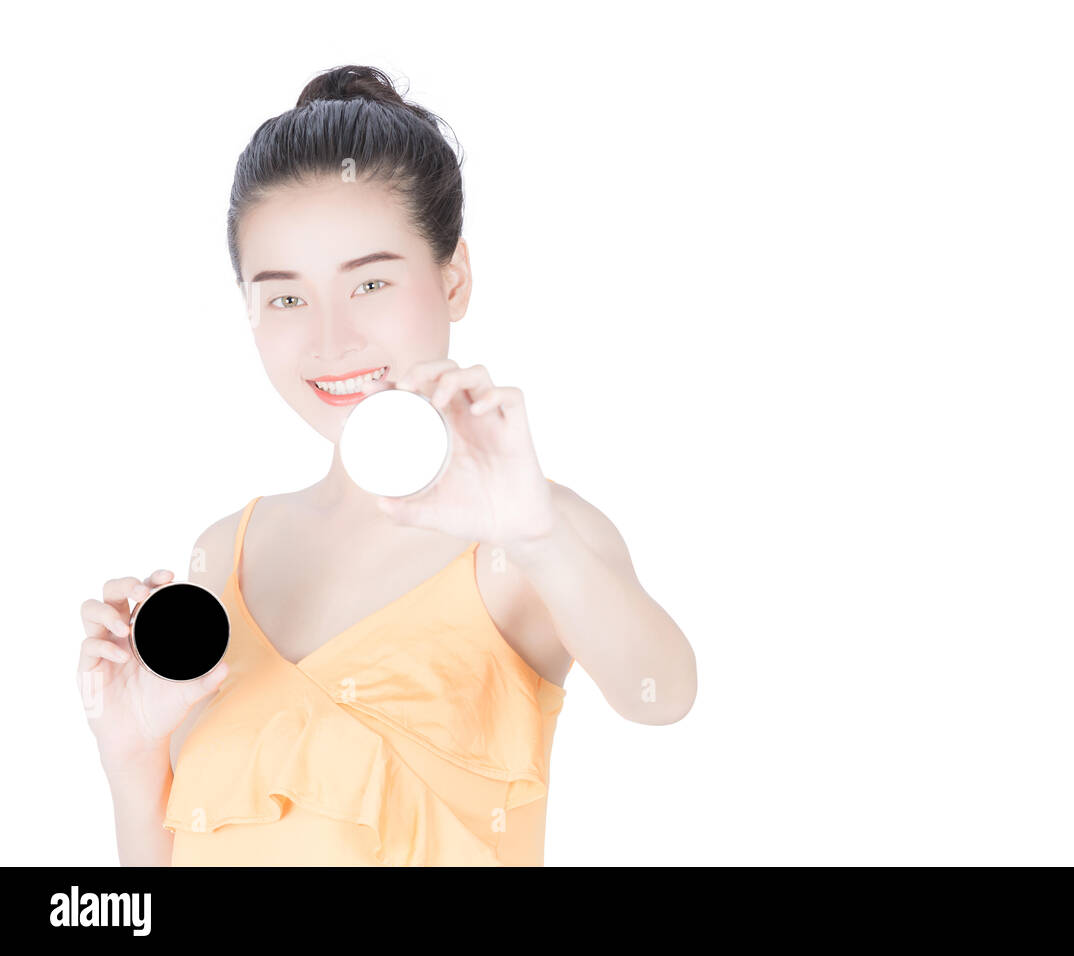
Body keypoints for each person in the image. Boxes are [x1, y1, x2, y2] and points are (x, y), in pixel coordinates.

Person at [77, 64, 696, 866]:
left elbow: (665, 696)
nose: (330, 339)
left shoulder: (530, 534)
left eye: (369, 282)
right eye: (286, 297)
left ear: (454, 278)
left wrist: (536, 534)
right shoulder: (223, 553)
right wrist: (130, 759)